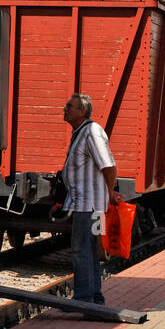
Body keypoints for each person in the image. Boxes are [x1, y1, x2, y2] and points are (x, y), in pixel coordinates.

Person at [61, 93, 120, 304]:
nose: (65, 108)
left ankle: (84, 298)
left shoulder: (92, 132)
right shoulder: (81, 132)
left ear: (82, 111)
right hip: (91, 205)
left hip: (90, 208)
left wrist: (109, 193)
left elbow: (109, 166)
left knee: (82, 251)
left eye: (70, 106)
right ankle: (94, 296)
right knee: (92, 251)